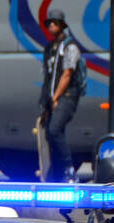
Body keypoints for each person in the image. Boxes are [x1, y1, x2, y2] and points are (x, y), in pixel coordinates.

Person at [38, 9, 86, 182]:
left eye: (55, 22)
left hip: (66, 95)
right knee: (50, 134)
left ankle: (69, 169)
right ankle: (56, 172)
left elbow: (67, 73)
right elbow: (47, 77)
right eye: (49, 22)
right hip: (52, 98)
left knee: (55, 129)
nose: (51, 25)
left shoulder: (69, 47)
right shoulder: (50, 48)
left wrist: (56, 96)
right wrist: (45, 103)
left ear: (61, 25)